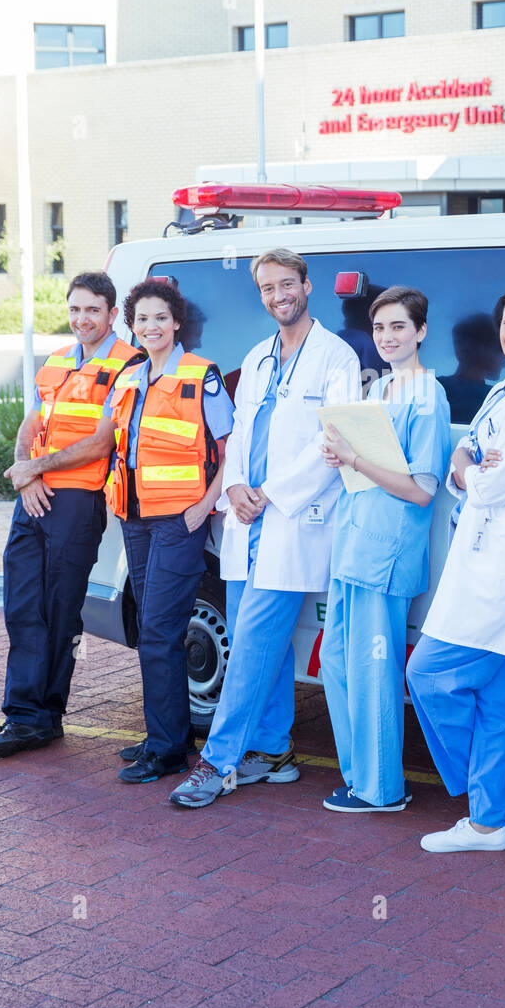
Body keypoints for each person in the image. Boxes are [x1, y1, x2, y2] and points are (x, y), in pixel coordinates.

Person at [5, 278, 234, 782]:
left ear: (177, 323)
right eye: (144, 319)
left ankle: (169, 748)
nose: (152, 327)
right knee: (151, 629)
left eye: (161, 318)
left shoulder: (198, 375)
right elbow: (93, 434)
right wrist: (32, 468)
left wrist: (204, 507)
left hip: (177, 520)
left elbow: (231, 446)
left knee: (157, 629)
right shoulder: (131, 378)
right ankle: (164, 736)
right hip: (135, 517)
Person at [169, 249, 361, 808]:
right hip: (245, 522)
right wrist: (232, 490)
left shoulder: (338, 358)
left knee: (250, 646)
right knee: (270, 650)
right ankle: (274, 752)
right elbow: (237, 437)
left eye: (287, 285)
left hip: (291, 521)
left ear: (307, 286)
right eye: (268, 288)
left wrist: (269, 495)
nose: (279, 296)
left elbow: (335, 445)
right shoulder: (255, 359)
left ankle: (218, 761)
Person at [406, 282, 505, 852]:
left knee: (426, 672)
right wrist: (465, 463)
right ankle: (489, 820)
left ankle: (484, 787)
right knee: (496, 692)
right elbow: (467, 451)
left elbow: (492, 483)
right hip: (486, 548)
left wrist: (467, 471)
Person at [0, 273, 141, 759]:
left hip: (78, 502)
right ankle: (22, 715)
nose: (82, 319)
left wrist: (37, 467)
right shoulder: (56, 361)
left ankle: (43, 716)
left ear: (112, 314)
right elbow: (29, 424)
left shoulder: (128, 364)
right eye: (75, 310)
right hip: (33, 497)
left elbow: (103, 440)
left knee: (59, 609)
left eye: (93, 310)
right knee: (21, 606)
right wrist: (28, 475)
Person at [318, 286, 451, 813]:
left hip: (386, 549)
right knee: (337, 660)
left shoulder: (427, 396)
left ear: (420, 331)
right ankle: (359, 778)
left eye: (399, 327)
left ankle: (381, 789)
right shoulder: (379, 394)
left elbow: (421, 488)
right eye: (379, 329)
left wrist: (357, 458)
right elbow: (363, 468)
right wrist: (341, 456)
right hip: (354, 543)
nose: (388, 337)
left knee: (374, 668)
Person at [439, 312, 505, 425]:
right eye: (501, 351)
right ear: (484, 350)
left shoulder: (433, 389)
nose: (504, 363)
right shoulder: (495, 400)